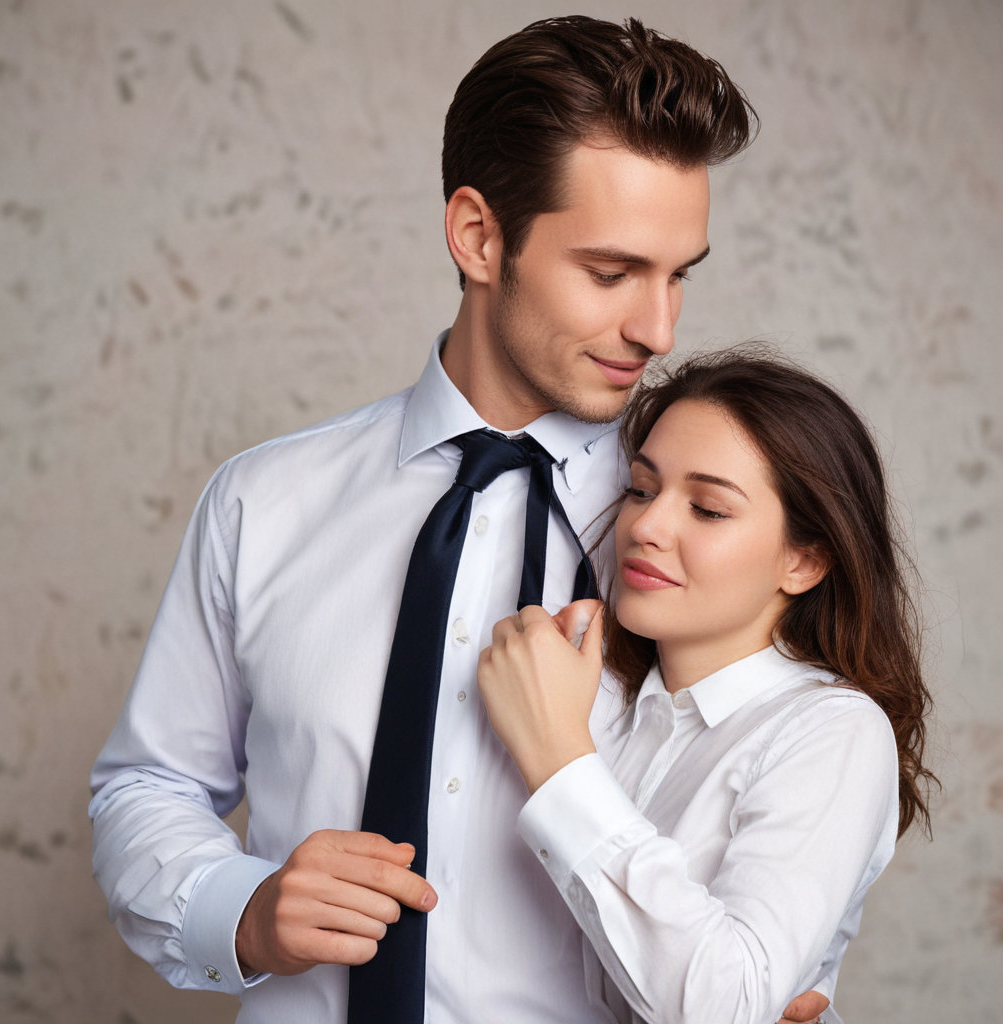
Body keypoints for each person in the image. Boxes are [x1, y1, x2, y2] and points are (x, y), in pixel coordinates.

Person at [90, 17, 829, 1024]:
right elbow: (149, 786)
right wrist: (246, 909)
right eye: (611, 274)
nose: (657, 329)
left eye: (678, 274)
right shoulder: (264, 503)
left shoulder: (704, 540)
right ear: (478, 236)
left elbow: (799, 791)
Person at [477, 350, 936, 1024]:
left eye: (710, 509)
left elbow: (727, 1004)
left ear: (804, 560)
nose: (648, 527)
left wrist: (557, 759)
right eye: (641, 489)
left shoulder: (830, 730)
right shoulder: (595, 697)